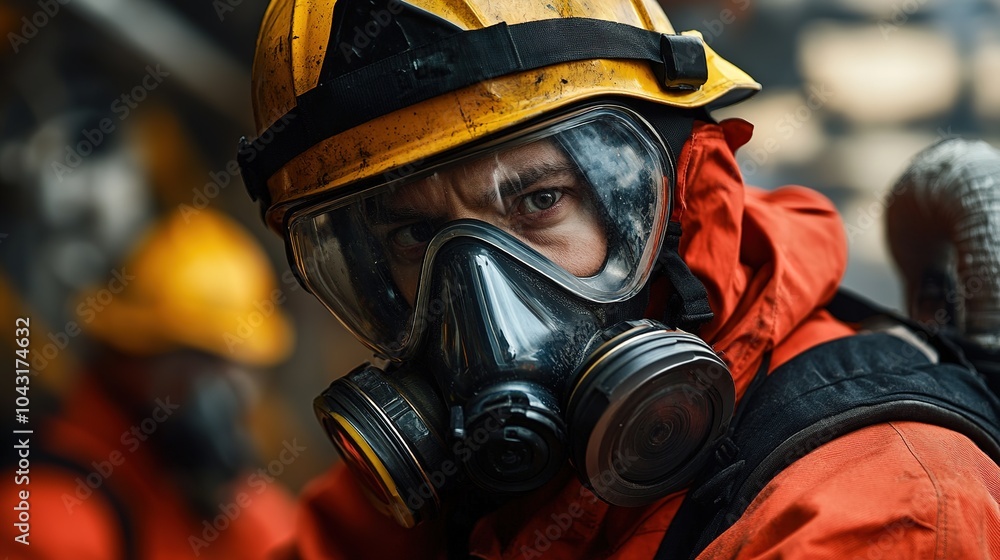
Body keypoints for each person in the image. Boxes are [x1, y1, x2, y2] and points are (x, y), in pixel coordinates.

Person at [237, 0, 1000, 558]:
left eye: (541, 201)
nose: (485, 309)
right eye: (414, 235)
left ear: (674, 195)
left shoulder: (879, 510)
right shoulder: (457, 481)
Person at [1, 208, 298, 559]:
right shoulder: (50, 516)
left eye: (243, 369)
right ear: (125, 355)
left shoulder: (250, 513)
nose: (227, 394)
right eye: (197, 361)